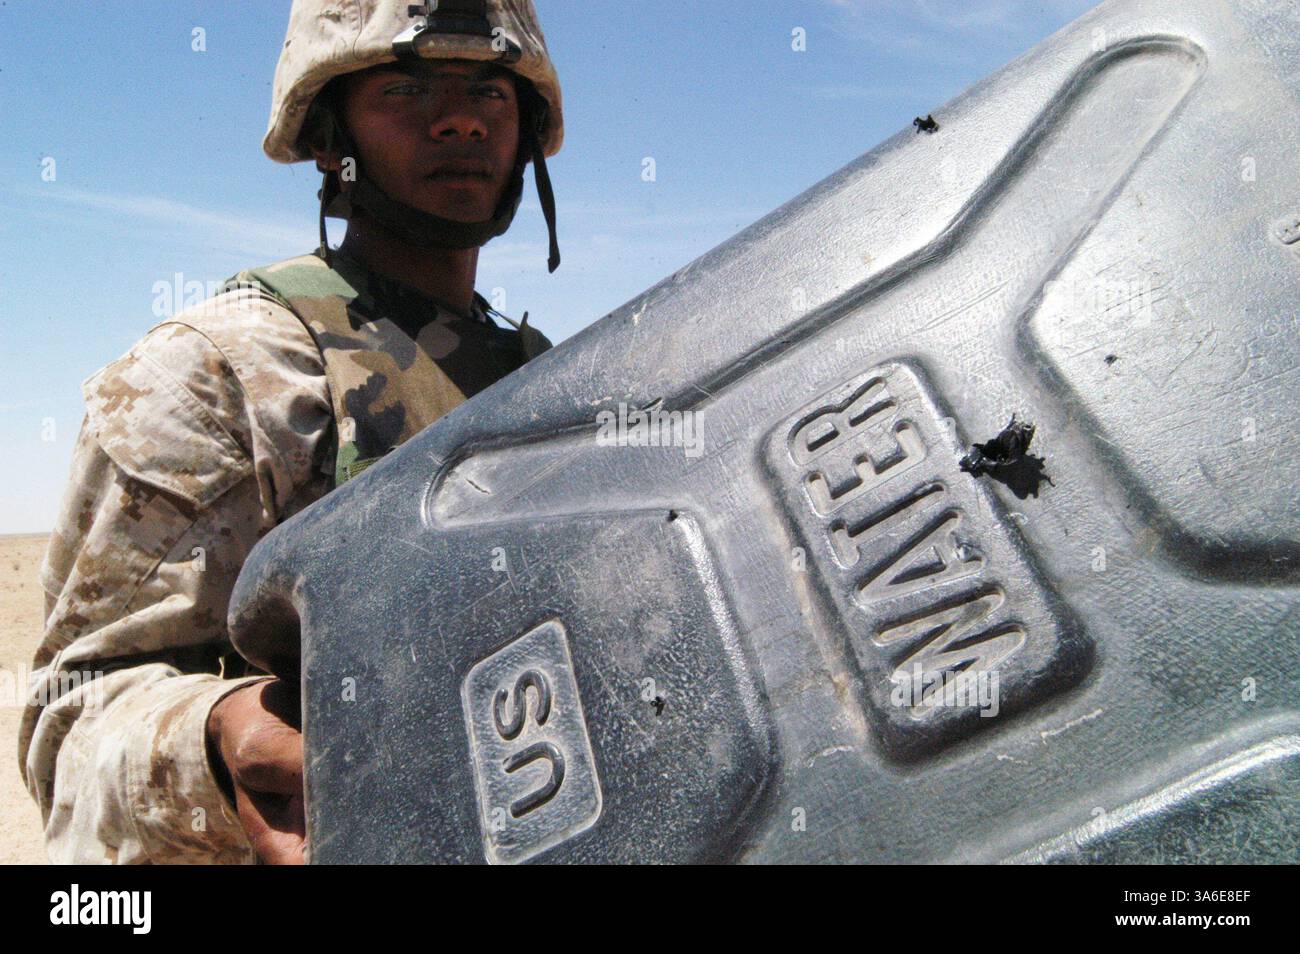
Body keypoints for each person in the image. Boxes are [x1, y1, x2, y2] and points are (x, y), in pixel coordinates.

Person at [19, 0, 565, 864]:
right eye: (404, 87)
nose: (460, 117)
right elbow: (72, 725)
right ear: (327, 134)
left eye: (491, 93)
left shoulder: (548, 377)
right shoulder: (218, 370)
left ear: (528, 125)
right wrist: (211, 739)